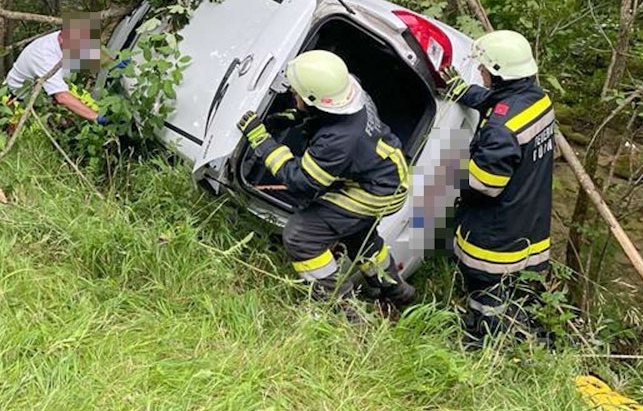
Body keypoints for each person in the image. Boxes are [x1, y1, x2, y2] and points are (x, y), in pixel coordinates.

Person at [237, 50, 417, 315]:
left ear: (314, 99)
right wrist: (301, 116)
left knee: (301, 236)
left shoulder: (338, 141)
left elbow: (301, 180)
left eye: (297, 92)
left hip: (377, 192)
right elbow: (329, 119)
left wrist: (262, 141)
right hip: (387, 173)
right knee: (358, 234)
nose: (292, 93)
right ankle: (397, 291)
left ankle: (347, 313)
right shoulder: (349, 88)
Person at [440, 30, 556, 345]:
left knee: (486, 294)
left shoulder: (501, 130)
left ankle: (482, 341)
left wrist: (446, 170)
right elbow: (497, 102)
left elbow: (483, 185)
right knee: (512, 291)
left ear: (499, 72)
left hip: (494, 238)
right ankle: (513, 329)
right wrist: (462, 91)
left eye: (483, 67)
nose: (479, 70)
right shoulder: (537, 100)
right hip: (528, 222)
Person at [4, 16, 109, 125]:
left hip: (49, 94)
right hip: (20, 102)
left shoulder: (74, 39)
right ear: (61, 37)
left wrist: (114, 64)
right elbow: (62, 97)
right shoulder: (44, 55)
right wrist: (97, 117)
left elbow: (94, 54)